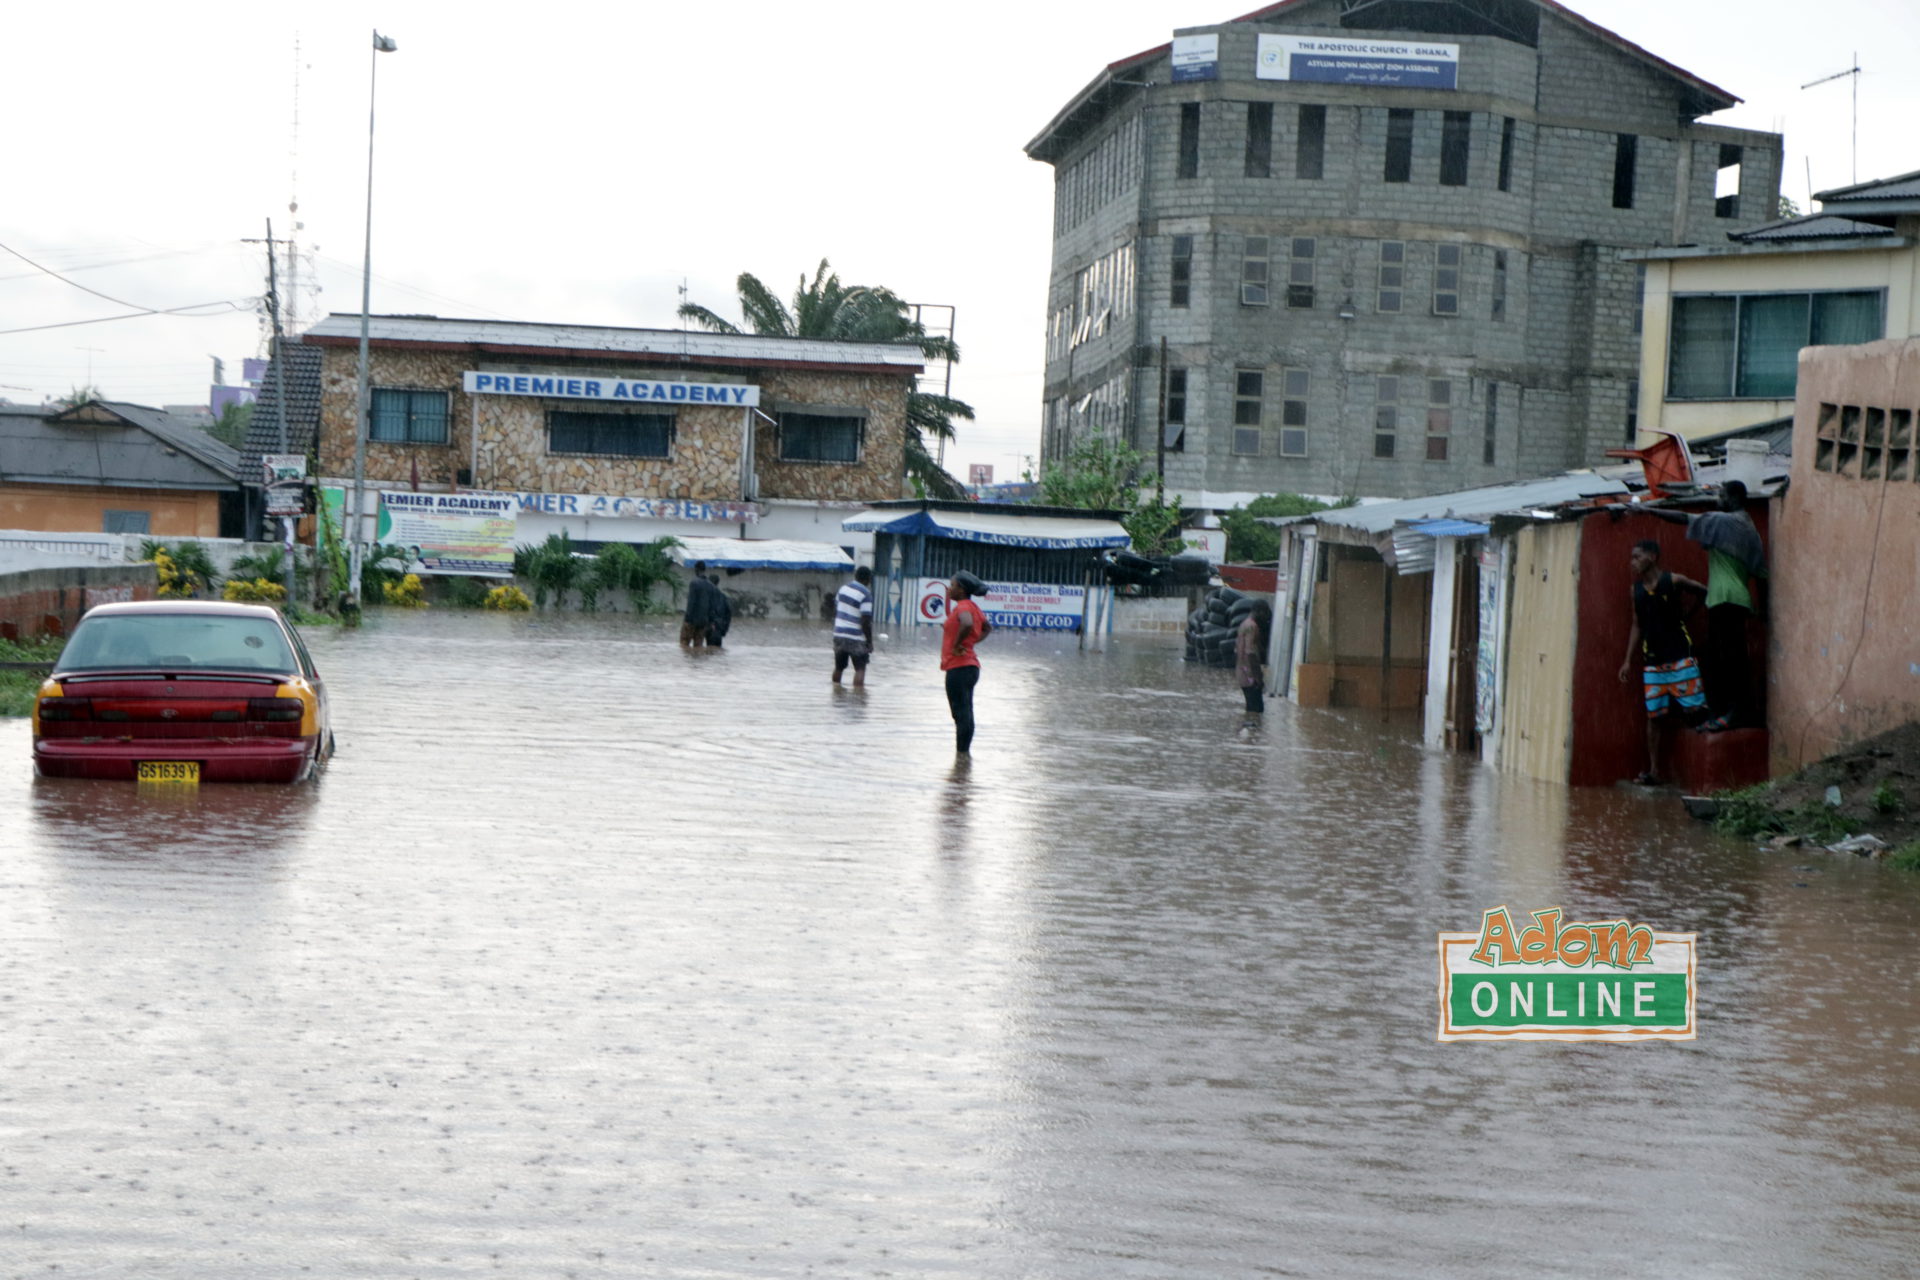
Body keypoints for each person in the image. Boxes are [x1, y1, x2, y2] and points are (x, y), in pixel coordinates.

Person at [1636, 481, 1766, 730]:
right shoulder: (1750, 529)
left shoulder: (1725, 521)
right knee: (1733, 658)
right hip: (1737, 599)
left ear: (1734, 497)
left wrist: (1650, 510)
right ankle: (1732, 712)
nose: (1718, 499)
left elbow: (1683, 517)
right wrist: (1763, 609)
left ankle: (1731, 714)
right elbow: (1761, 573)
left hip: (1724, 598)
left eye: (1721, 495)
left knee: (1725, 660)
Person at [1618, 539, 1707, 784]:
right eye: (1632, 557)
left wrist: (1688, 616)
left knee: (1696, 712)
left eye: (1637, 557)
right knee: (1654, 717)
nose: (1633, 562)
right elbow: (1637, 624)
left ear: (1653, 557)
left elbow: (1703, 591)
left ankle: (1699, 775)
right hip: (1653, 661)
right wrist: (1627, 660)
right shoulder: (1635, 591)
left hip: (1680, 655)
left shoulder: (1674, 581)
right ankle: (1655, 771)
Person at [941, 571, 993, 754]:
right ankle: (963, 761)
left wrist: (957, 644)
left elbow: (967, 623)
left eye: (952, 585)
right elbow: (987, 628)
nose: (949, 588)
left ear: (961, 590)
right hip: (970, 666)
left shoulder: (963, 607)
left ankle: (961, 755)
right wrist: (970, 643)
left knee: (960, 714)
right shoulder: (972, 606)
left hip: (959, 667)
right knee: (966, 712)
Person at [832, 565, 875, 687]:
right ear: (868, 579)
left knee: (839, 668)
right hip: (856, 637)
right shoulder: (866, 594)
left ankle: (836, 695)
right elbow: (865, 621)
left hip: (839, 634)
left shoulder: (843, 589)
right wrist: (869, 642)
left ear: (855, 576)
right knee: (860, 669)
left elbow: (836, 609)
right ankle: (858, 698)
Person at [1235, 599, 1274, 729]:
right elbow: (1250, 652)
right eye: (1265, 613)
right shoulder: (1252, 626)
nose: (1265, 617)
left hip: (1242, 673)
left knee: (1250, 710)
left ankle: (1248, 740)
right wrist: (1258, 677)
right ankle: (1252, 742)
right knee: (1257, 711)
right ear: (1259, 612)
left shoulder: (1244, 624)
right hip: (1250, 675)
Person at [681, 560, 720, 648]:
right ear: (704, 569)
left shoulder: (694, 583)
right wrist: (711, 621)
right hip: (704, 622)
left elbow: (691, 603)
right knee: (698, 646)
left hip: (692, 620)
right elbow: (712, 606)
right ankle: (698, 661)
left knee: (684, 644)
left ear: (696, 569)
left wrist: (687, 619)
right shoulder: (711, 586)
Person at [706, 574, 732, 648]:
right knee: (716, 652)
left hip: (711, 628)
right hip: (719, 629)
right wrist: (724, 629)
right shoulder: (723, 597)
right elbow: (729, 614)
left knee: (709, 653)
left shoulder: (708, 596)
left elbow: (708, 611)